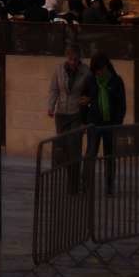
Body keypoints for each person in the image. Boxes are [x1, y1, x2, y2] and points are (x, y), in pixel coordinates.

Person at [47, 43, 90, 193]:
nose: (72, 62)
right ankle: (71, 178)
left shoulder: (86, 72)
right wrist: (51, 106)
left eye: (75, 59)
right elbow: (54, 89)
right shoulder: (59, 69)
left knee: (74, 148)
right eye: (70, 59)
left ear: (79, 59)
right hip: (61, 114)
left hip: (76, 113)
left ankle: (73, 185)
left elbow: (90, 91)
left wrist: (87, 100)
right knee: (63, 149)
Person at [82, 52, 127, 195]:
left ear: (107, 67)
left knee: (110, 156)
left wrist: (117, 123)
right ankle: (86, 185)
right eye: (96, 70)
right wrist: (85, 121)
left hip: (110, 125)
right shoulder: (90, 81)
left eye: (100, 69)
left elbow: (121, 105)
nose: (98, 73)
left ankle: (109, 185)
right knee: (90, 154)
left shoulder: (116, 81)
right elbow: (83, 101)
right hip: (93, 124)